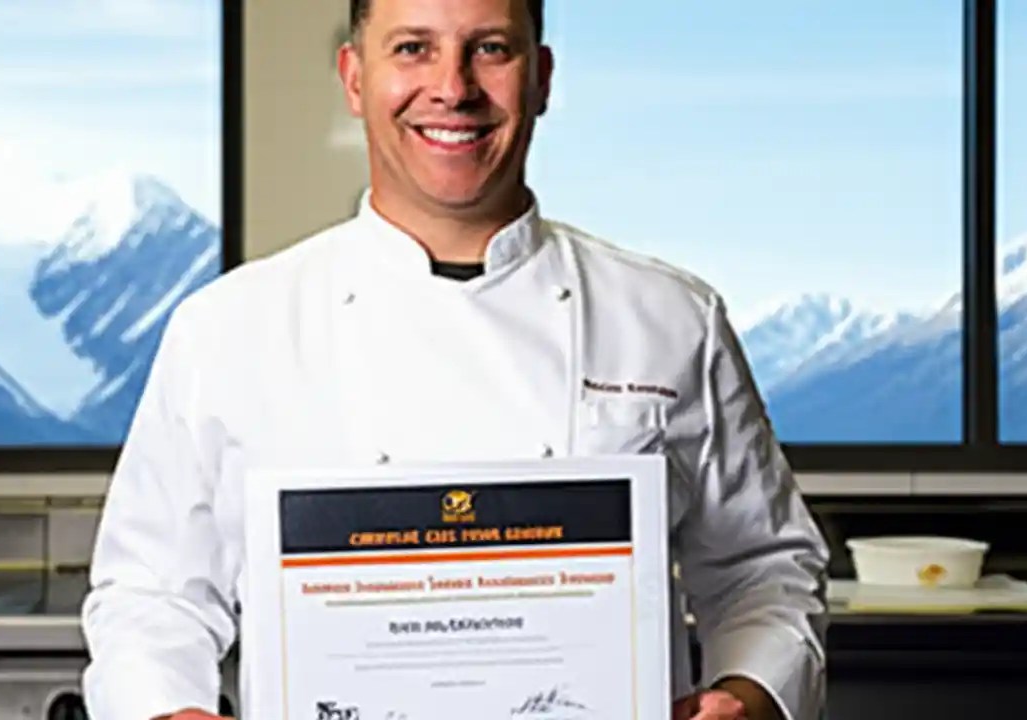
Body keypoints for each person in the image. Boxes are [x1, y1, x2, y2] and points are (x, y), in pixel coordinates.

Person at [80, 0, 830, 718]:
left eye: (490, 49)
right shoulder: (227, 329)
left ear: (541, 78)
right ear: (354, 77)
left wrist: (752, 696)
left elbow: (763, 571)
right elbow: (151, 595)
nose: (453, 88)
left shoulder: (669, 318)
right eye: (413, 48)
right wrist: (164, 711)